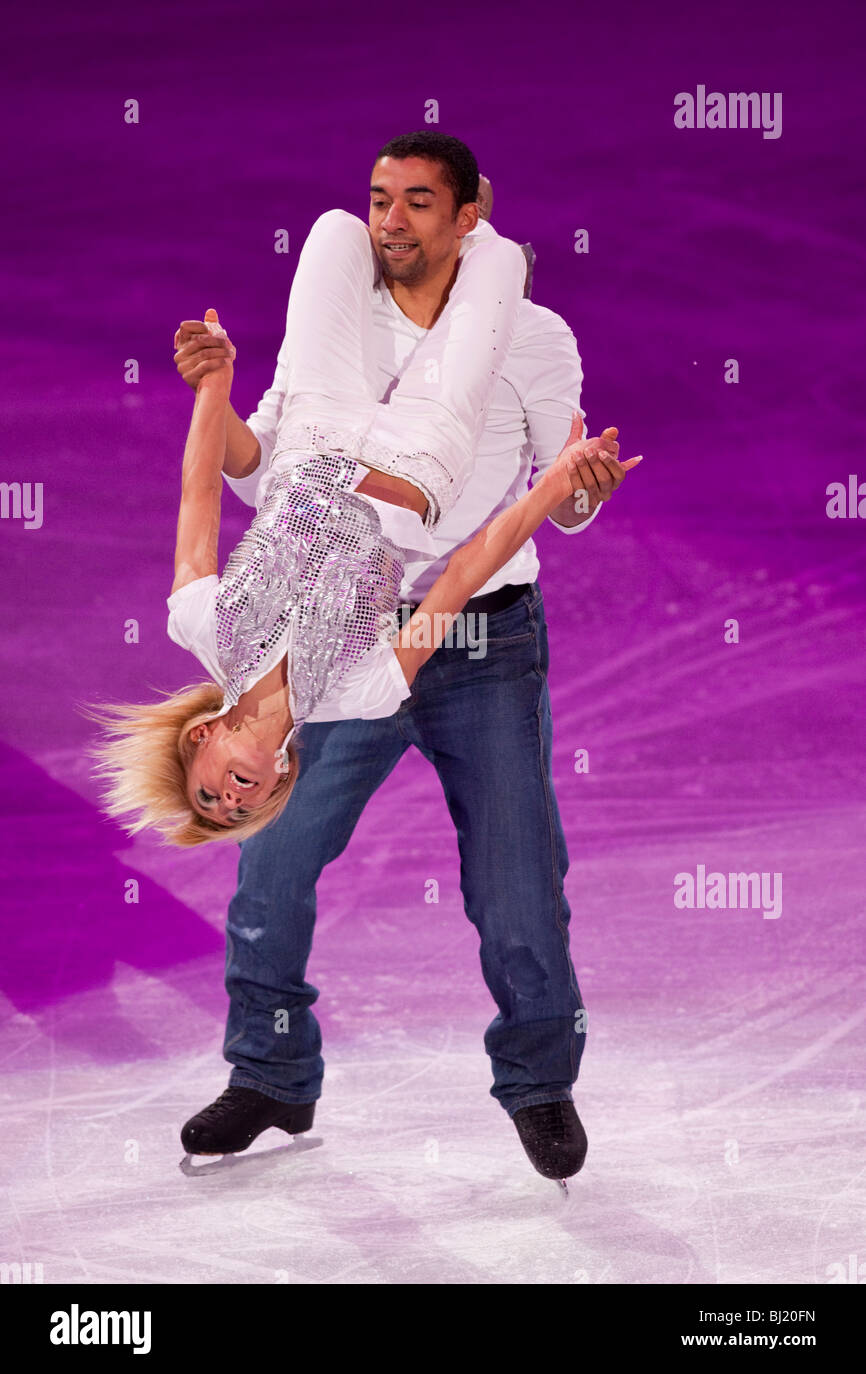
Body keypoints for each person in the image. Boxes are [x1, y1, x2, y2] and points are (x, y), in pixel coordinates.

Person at [171, 133, 641, 1186]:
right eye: (378, 200)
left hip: (482, 640)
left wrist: (575, 491)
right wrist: (216, 391)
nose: (390, 222)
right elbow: (260, 471)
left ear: (469, 214)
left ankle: (537, 1081)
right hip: (341, 647)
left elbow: (556, 492)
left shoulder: (533, 338)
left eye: (417, 202)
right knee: (272, 864)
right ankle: (272, 1070)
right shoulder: (334, 320)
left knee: (518, 882)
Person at [90, 206, 607, 847]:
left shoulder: (200, 627)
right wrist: (548, 488)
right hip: (425, 456)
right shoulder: (363, 693)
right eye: (238, 811)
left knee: (335, 229)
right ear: (279, 779)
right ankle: (462, 246)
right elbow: (467, 570)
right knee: (497, 262)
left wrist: (213, 385)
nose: (228, 798)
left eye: (208, 794)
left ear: (202, 737)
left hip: (317, 434)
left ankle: (431, 238)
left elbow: (199, 497)